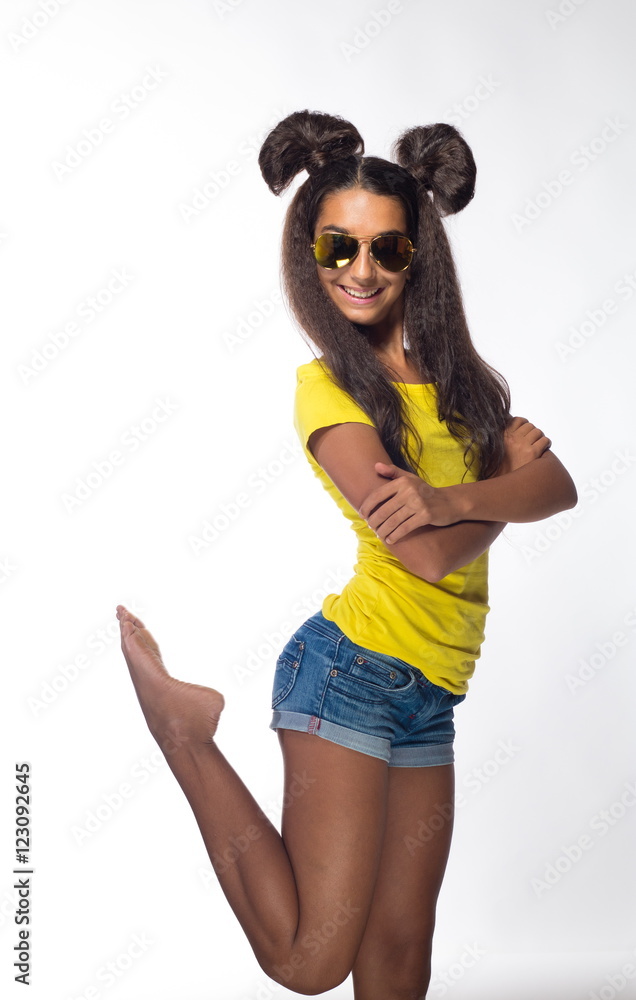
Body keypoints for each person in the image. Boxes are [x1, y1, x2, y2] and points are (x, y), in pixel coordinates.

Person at [116, 110, 577, 998]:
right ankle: (183, 734)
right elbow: (430, 561)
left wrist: (455, 497)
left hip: (432, 692)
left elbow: (557, 488)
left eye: (387, 250)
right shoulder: (326, 391)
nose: (361, 271)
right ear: (312, 252)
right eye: (339, 247)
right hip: (349, 674)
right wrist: (491, 493)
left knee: (401, 955)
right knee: (309, 961)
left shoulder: (467, 386)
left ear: (417, 258)